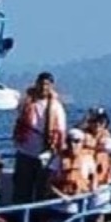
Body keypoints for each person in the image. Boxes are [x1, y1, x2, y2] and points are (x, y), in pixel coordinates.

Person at [11, 72, 66, 204]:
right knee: (22, 187)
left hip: (45, 153)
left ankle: (38, 214)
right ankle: (19, 213)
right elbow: (18, 106)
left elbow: (61, 131)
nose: (43, 87)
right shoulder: (26, 102)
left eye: (47, 84)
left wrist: (59, 152)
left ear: (51, 86)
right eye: (41, 83)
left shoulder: (56, 107)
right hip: (25, 151)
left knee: (42, 188)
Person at [46, 128, 98, 222]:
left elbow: (94, 176)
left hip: (80, 205)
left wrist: (93, 188)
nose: (72, 144)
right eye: (69, 141)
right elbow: (49, 183)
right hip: (59, 206)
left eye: (76, 141)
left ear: (82, 142)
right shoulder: (59, 158)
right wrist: (62, 196)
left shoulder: (88, 158)